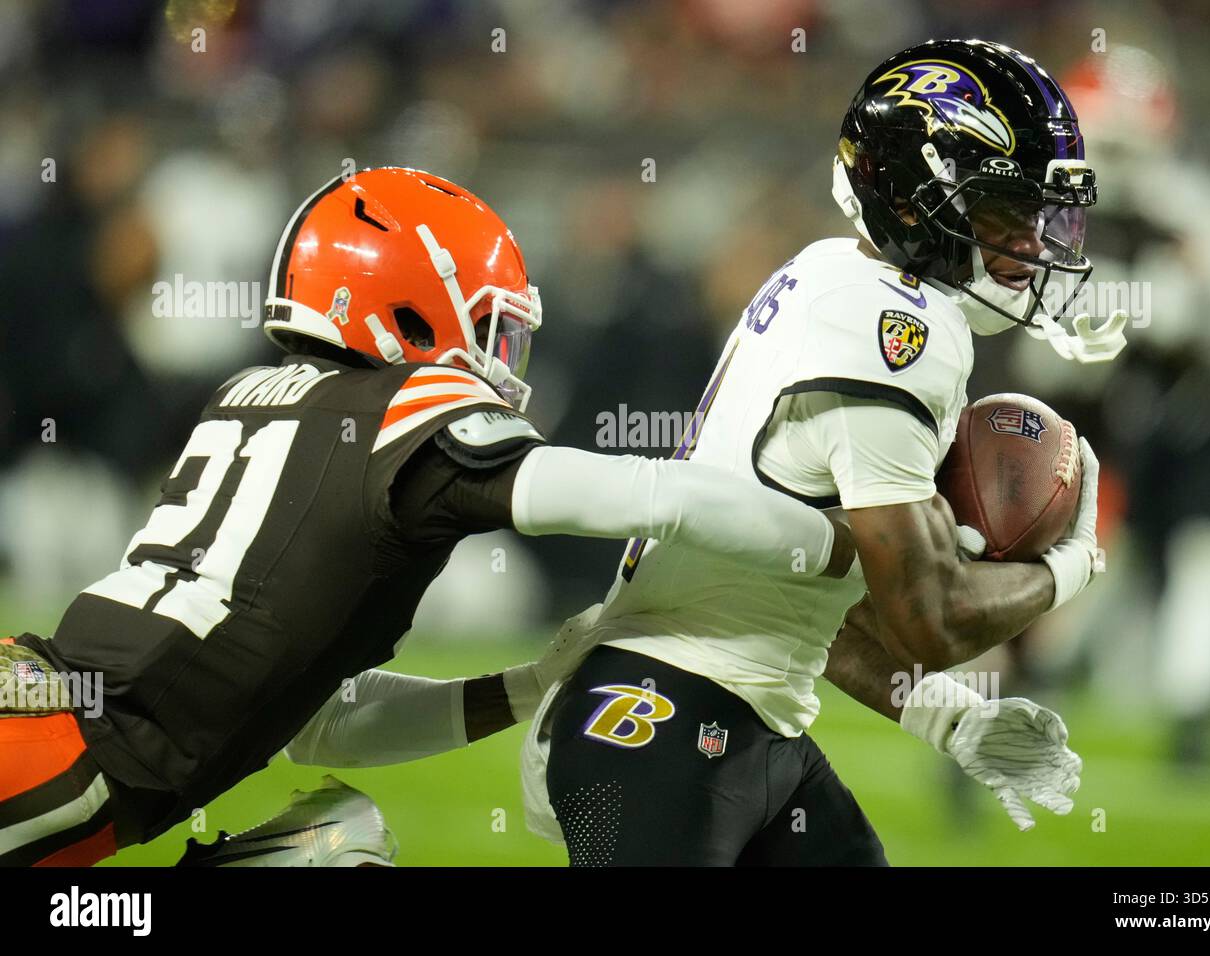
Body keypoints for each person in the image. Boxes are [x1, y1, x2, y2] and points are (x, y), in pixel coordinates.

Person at [0, 167, 857, 867]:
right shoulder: (410, 405)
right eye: (491, 325)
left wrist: (523, 687)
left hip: (51, 720)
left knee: (332, 851)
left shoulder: (253, 398)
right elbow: (637, 494)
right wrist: (835, 549)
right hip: (67, 760)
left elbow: (316, 724)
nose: (502, 356)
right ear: (409, 308)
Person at [529, 38, 1127, 865]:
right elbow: (931, 617)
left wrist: (951, 719)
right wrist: (1070, 565)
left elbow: (812, 594)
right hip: (663, 726)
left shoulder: (836, 274)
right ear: (913, 201)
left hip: (722, 718)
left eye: (1035, 216)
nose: (1029, 245)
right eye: (1003, 213)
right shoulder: (897, 333)